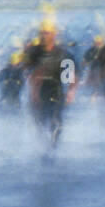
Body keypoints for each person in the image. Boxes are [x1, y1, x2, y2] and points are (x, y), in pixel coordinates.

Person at [22, 19, 77, 149]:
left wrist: (70, 91)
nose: (43, 36)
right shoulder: (34, 53)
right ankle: (43, 147)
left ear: (54, 34)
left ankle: (53, 148)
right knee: (40, 123)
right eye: (41, 33)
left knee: (55, 122)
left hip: (55, 90)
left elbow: (69, 78)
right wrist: (33, 90)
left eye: (46, 33)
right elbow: (26, 71)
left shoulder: (62, 54)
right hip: (38, 92)